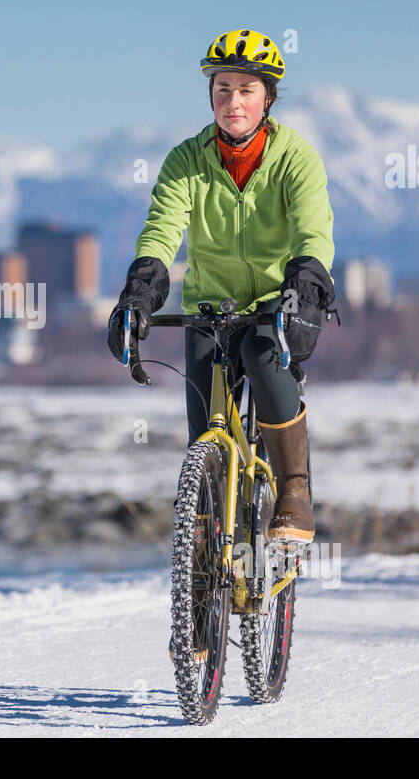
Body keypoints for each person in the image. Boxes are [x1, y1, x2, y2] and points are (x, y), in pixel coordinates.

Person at [106, 28, 336, 544]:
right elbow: (163, 229)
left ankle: (294, 489)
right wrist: (138, 295)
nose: (234, 101)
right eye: (224, 88)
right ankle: (206, 557)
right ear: (210, 94)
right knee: (204, 429)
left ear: (268, 99)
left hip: (275, 306)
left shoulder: (296, 159)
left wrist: (306, 291)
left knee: (260, 353)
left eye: (247, 90)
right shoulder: (186, 161)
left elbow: (313, 231)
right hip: (208, 305)